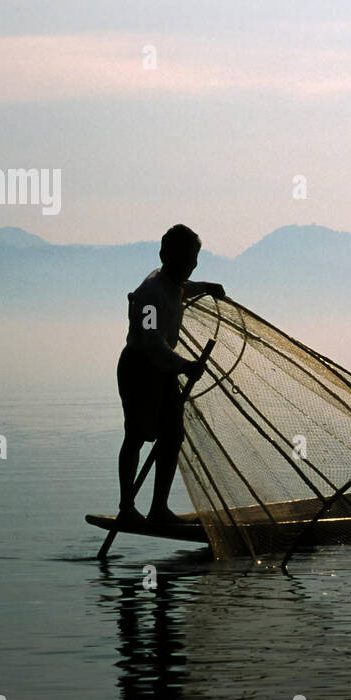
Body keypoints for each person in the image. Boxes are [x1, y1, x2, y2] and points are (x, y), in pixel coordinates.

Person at [116, 224, 224, 527]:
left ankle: (159, 508)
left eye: (194, 258)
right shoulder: (150, 295)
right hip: (139, 369)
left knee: (172, 434)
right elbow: (153, 344)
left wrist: (205, 286)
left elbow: (181, 289)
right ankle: (127, 507)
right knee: (136, 436)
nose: (191, 264)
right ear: (166, 256)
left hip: (162, 370)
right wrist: (185, 365)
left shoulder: (173, 282)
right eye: (187, 258)